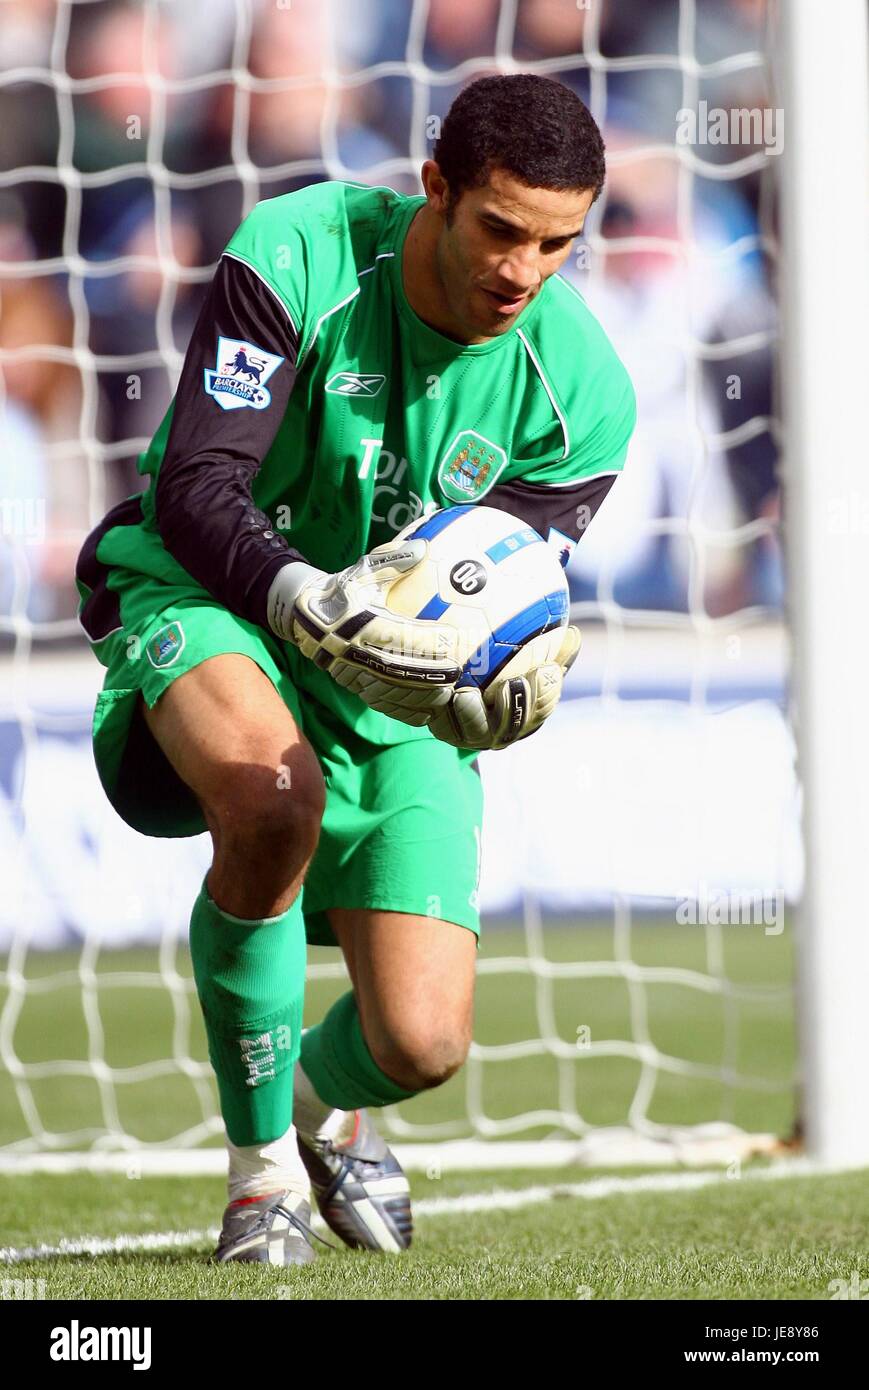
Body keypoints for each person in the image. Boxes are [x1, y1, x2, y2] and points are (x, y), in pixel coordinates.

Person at [75, 74, 635, 1265]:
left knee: (421, 1043)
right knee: (270, 795)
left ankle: (323, 1110)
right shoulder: (298, 251)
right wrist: (304, 601)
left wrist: (499, 691)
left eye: (556, 245)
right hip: (210, 592)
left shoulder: (583, 395)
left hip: (388, 685)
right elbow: (196, 489)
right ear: (432, 187)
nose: (522, 272)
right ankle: (259, 1175)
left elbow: (504, 599)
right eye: (498, 229)